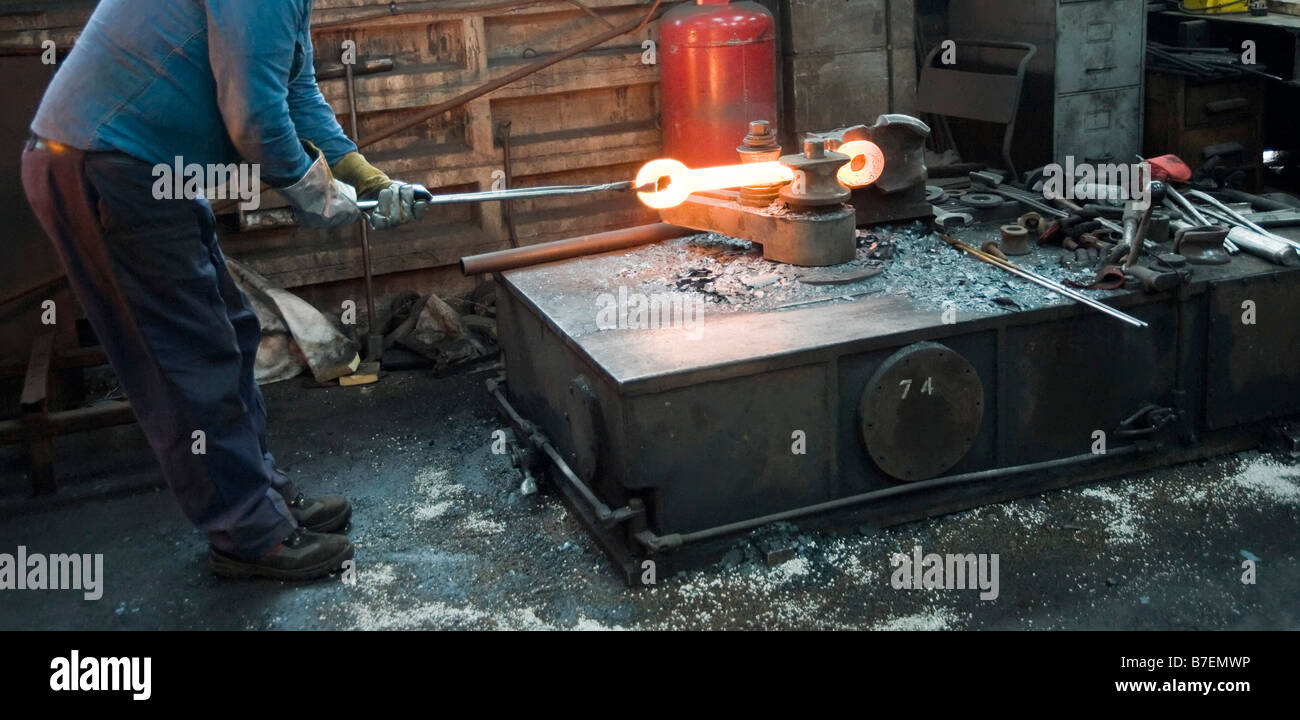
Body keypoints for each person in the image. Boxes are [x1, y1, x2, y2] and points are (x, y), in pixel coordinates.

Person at [20, 0, 427, 580]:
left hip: (142, 166)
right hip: (106, 164)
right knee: (190, 360)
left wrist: (363, 177)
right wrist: (315, 192)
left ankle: (263, 499)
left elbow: (296, 92)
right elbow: (255, 119)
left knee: (231, 333)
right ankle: (248, 534)